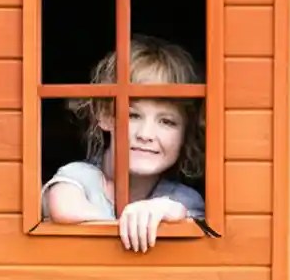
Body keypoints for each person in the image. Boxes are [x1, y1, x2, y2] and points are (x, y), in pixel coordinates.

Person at [41, 34, 206, 252]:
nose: (146, 134)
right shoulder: (80, 178)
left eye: (167, 121)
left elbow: (195, 221)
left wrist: (167, 210)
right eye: (133, 116)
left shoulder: (182, 197)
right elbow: (64, 207)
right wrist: (127, 223)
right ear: (106, 115)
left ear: (186, 132)